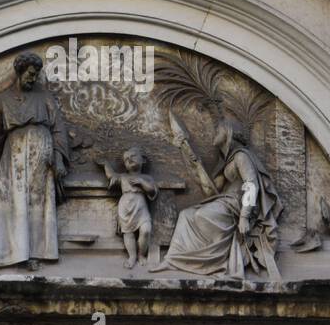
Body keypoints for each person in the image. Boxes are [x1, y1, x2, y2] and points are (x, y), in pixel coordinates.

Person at [0, 52, 69, 272]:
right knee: (9, 202)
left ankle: (34, 253)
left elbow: (59, 129)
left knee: (37, 204)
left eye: (35, 75)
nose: (32, 78)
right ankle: (4, 253)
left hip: (41, 157)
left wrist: (59, 159)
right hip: (14, 155)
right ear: (19, 72)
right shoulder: (2, 99)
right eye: (29, 74)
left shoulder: (45, 98)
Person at [153, 117, 281, 280]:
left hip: (236, 206)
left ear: (228, 133)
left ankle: (216, 262)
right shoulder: (228, 161)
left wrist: (244, 216)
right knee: (185, 215)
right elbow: (211, 191)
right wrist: (193, 160)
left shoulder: (241, 156)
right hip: (225, 202)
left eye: (218, 130)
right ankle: (173, 260)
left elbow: (251, 184)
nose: (215, 133)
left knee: (201, 215)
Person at [103, 146, 157, 269]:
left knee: (146, 229)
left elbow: (152, 191)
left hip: (141, 206)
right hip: (125, 206)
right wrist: (105, 164)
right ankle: (132, 256)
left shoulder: (147, 178)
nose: (129, 159)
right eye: (126, 159)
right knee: (128, 233)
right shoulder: (123, 177)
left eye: (133, 156)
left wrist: (141, 183)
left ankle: (141, 254)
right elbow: (111, 176)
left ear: (143, 160)